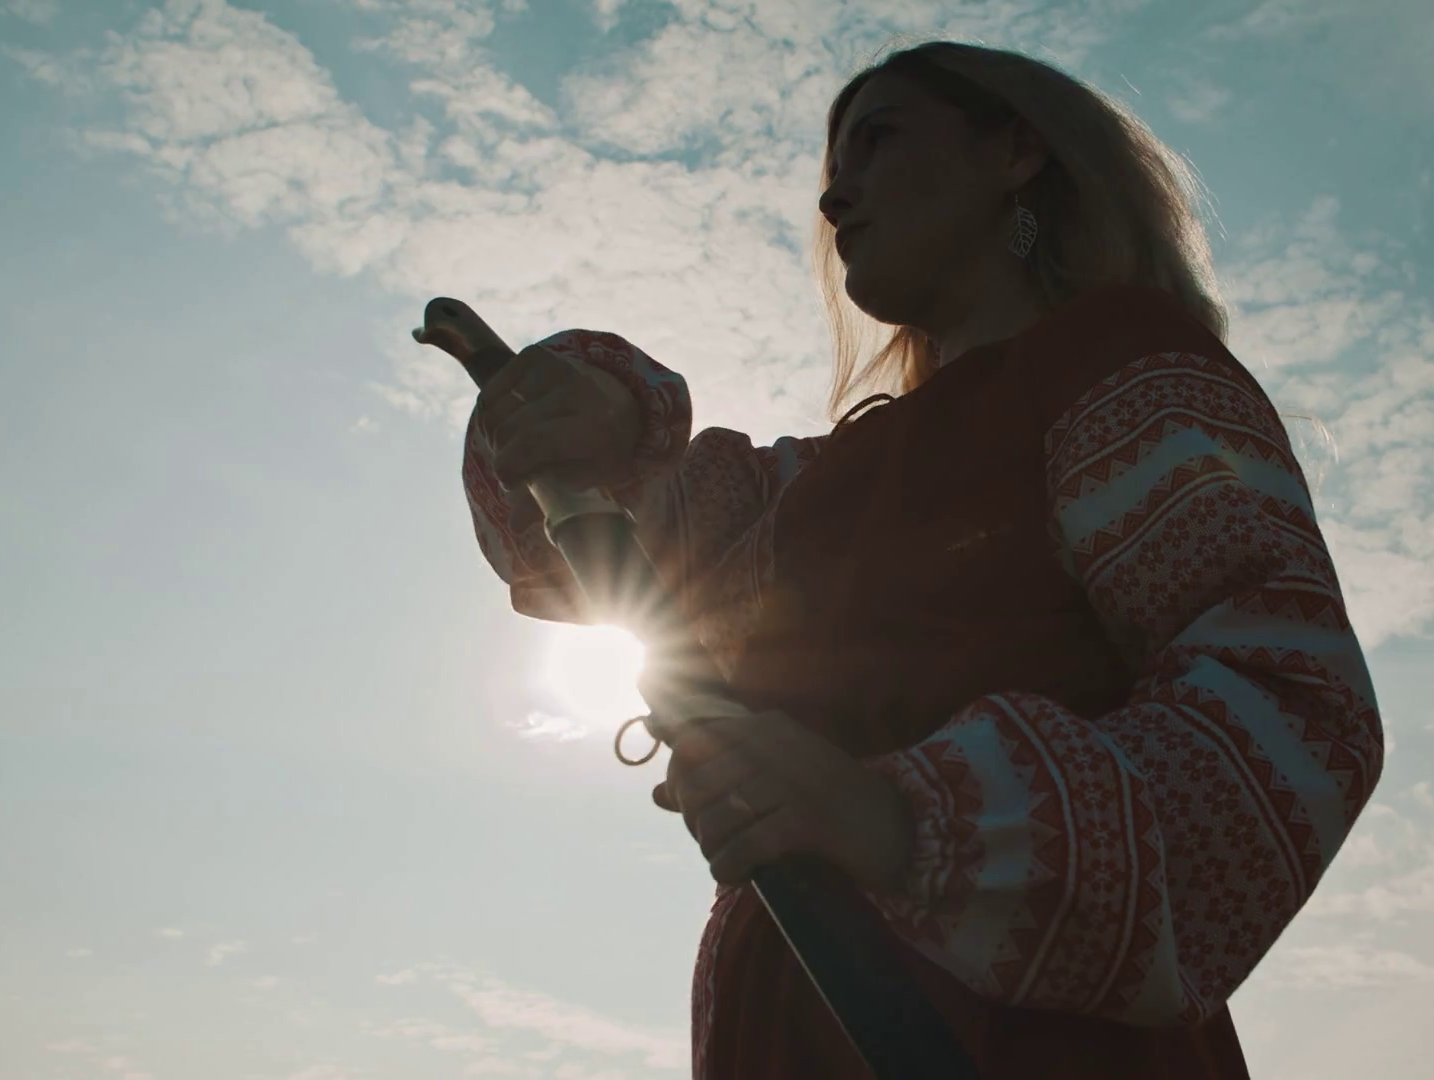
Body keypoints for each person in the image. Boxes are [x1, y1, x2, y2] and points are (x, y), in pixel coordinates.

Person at [459, 40, 1383, 1080]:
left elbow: (1290, 704)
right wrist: (602, 410)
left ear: (1015, 152)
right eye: (828, 171)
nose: (835, 200)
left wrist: (901, 818)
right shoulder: (818, 481)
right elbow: (607, 555)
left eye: (879, 140)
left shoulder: (1121, 367)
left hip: (1018, 1039)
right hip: (789, 1016)